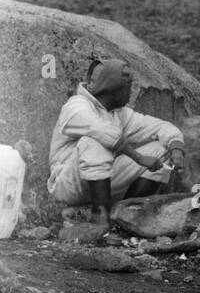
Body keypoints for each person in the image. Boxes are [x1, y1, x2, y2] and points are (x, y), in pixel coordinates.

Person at [47, 59, 185, 232]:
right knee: (96, 141)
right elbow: (102, 132)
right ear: (113, 89)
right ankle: (100, 217)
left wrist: (176, 148)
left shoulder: (119, 114)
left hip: (101, 181)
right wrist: (139, 158)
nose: (130, 93)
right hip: (68, 184)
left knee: (160, 149)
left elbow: (160, 127)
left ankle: (126, 215)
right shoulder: (76, 105)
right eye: (128, 88)